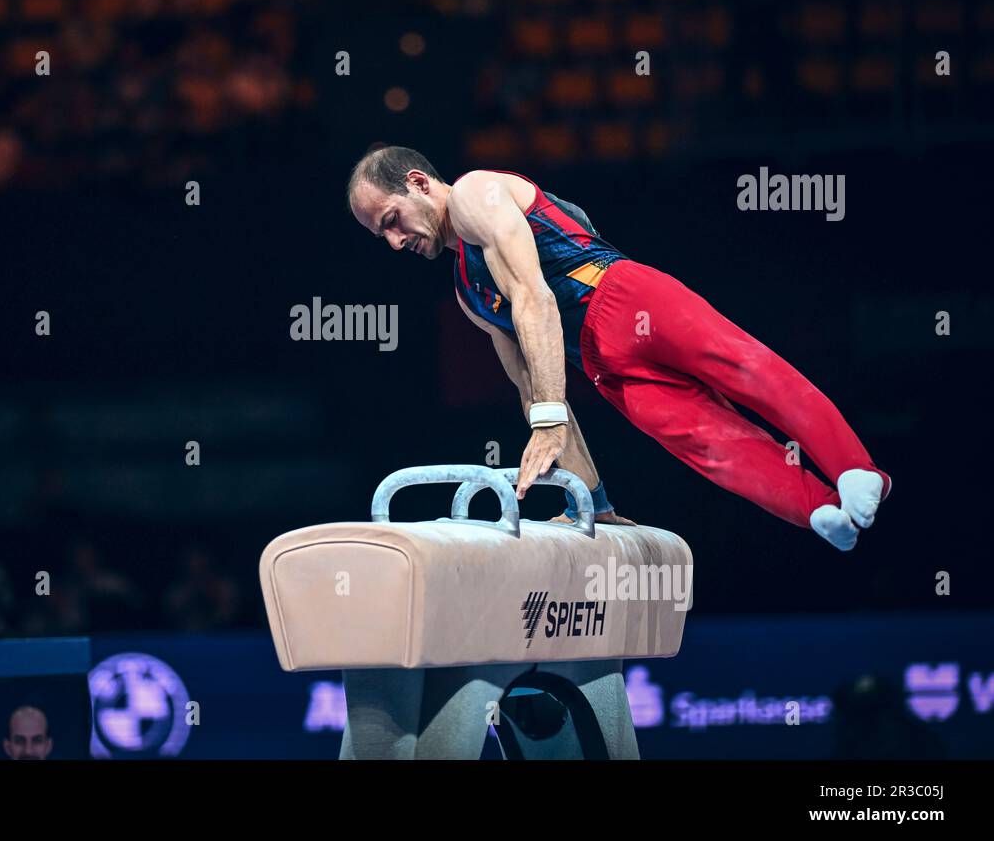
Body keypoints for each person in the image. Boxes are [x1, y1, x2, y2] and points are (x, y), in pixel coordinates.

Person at [347, 145, 890, 549]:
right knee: (710, 446)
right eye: (381, 237)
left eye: (391, 220)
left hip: (627, 299)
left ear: (418, 183)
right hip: (604, 367)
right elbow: (532, 386)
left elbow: (534, 297)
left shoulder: (474, 195)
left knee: (748, 370)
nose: (395, 242)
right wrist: (592, 499)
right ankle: (817, 509)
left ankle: (854, 469)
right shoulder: (469, 295)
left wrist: (548, 418)